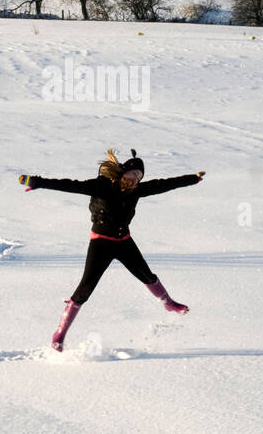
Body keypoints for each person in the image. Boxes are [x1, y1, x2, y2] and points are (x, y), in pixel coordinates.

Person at [18, 149, 205, 351]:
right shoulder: (102, 186)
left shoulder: (136, 190)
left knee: (147, 276)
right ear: (123, 172)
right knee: (85, 289)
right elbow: (70, 185)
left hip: (124, 242)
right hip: (101, 243)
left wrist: (192, 179)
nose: (136, 178)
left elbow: (165, 184)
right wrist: (37, 182)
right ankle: (59, 334)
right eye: (133, 174)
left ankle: (168, 303)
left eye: (140, 176)